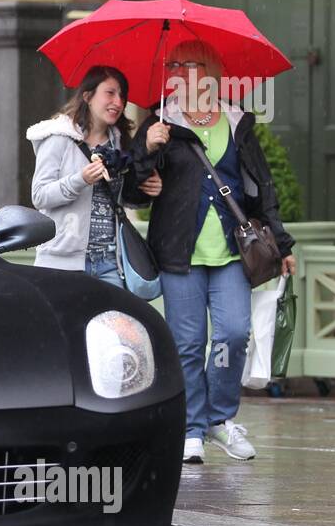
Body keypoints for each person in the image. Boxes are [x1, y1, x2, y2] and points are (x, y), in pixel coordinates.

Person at [127, 40, 297, 465]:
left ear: (211, 72)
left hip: (231, 254)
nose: (181, 72)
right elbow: (131, 193)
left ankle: (220, 420)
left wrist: (283, 243)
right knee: (188, 342)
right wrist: (147, 152)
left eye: (190, 65)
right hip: (178, 254)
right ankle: (191, 428)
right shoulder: (158, 122)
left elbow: (262, 188)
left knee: (233, 334)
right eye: (174, 65)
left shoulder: (238, 122)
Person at [26, 65, 161, 286]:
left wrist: (148, 187)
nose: (118, 102)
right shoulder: (59, 137)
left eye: (122, 96)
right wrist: (80, 179)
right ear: (88, 96)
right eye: (110, 93)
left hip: (110, 263)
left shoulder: (120, 142)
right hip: (63, 263)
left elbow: (123, 199)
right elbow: (40, 196)